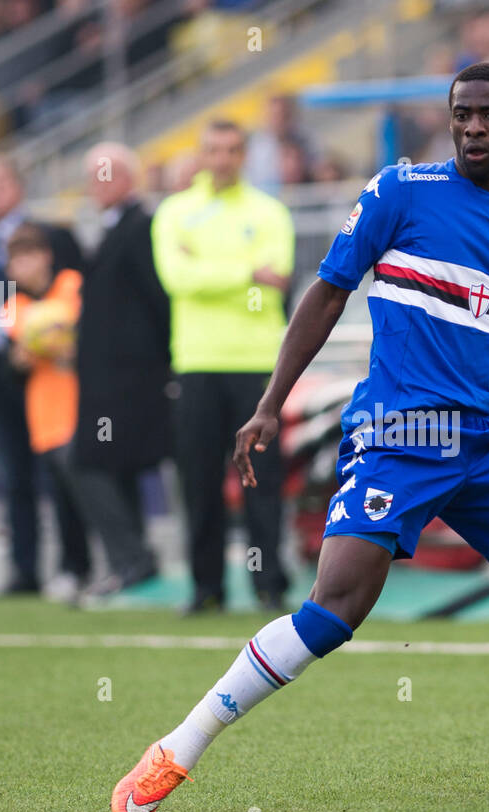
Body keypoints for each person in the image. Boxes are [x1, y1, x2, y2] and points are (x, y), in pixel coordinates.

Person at [112, 63, 489, 812]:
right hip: (396, 437)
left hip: (482, 446)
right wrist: (269, 405)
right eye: (462, 114)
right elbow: (326, 294)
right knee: (332, 612)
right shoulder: (401, 192)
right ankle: (177, 747)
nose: (474, 127)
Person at [152, 119, 295, 614]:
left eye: (233, 149)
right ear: (201, 153)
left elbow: (274, 280)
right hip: (196, 363)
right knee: (199, 481)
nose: (223, 159)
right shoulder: (173, 212)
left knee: (262, 481)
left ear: (243, 155)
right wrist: (245, 271)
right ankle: (205, 588)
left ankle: (268, 584)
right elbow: (176, 278)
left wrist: (209, 271)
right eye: (214, 149)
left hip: (257, 364)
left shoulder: (270, 211)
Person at [0, 153, 83, 594]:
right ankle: (24, 571)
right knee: (14, 476)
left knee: (64, 471)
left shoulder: (56, 236)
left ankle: (73, 567)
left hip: (54, 375)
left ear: (18, 186)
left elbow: (83, 298)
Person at [70, 143, 167, 601]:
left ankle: (132, 559)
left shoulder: (142, 227)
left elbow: (156, 298)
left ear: (128, 177)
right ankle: (132, 561)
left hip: (130, 378)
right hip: (109, 377)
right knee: (116, 466)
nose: (96, 184)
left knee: (87, 462)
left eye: (104, 174)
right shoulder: (115, 227)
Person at [2, 223, 92, 602]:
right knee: (61, 499)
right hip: (46, 417)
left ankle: (120, 566)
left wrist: (69, 346)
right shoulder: (14, 308)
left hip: (85, 412)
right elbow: (19, 358)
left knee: (99, 493)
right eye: (17, 259)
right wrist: (22, 358)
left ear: (46, 256)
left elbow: (84, 334)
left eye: (31, 255)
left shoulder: (72, 286)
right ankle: (75, 570)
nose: (24, 265)